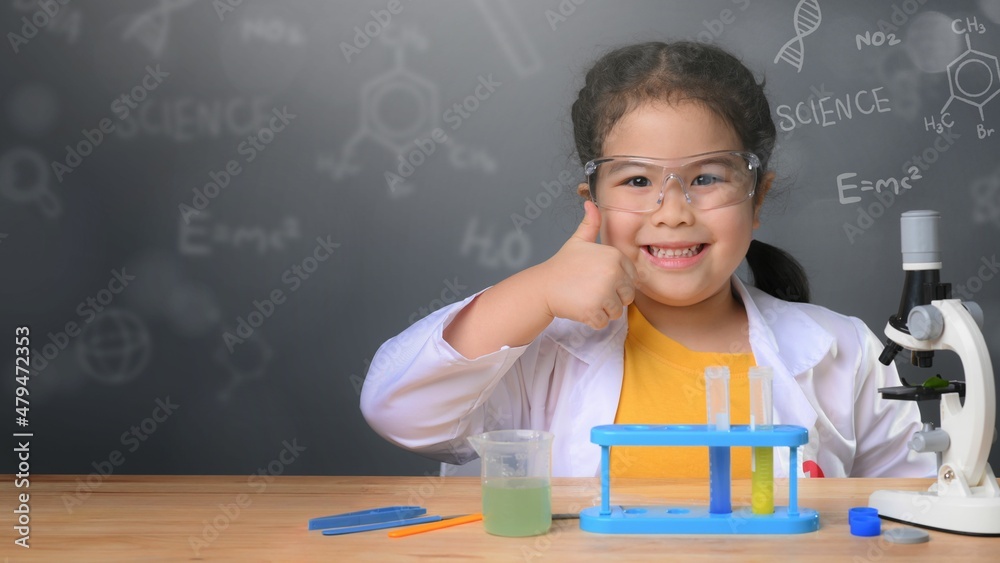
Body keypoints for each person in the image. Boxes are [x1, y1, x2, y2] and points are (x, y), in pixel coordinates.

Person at [360, 41, 935, 479]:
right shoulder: (541, 353)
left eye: (706, 177)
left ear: (756, 199)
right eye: (637, 180)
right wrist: (535, 291)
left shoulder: (847, 354)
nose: (673, 212)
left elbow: (913, 507)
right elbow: (400, 411)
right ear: (596, 206)